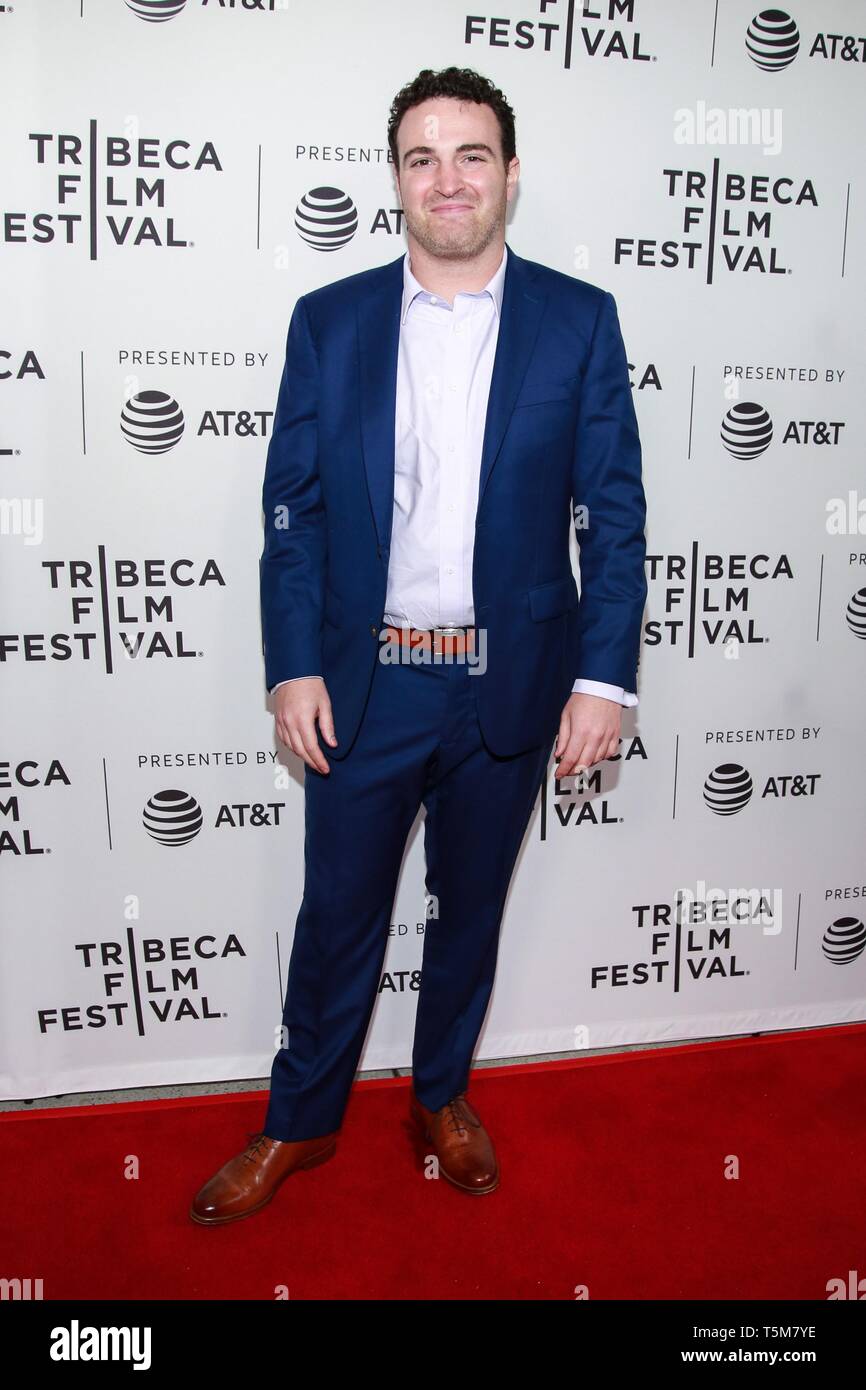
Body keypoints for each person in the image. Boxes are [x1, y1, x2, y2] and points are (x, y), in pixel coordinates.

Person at [190, 65, 647, 1225]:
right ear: (395, 178)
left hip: (511, 685)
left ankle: (438, 1096)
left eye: (471, 155)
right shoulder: (329, 322)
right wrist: (290, 662)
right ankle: (300, 1119)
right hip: (364, 683)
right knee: (335, 914)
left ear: (508, 173)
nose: (447, 180)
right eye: (421, 157)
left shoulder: (578, 321)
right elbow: (289, 506)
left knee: (468, 911)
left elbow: (614, 510)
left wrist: (602, 678)